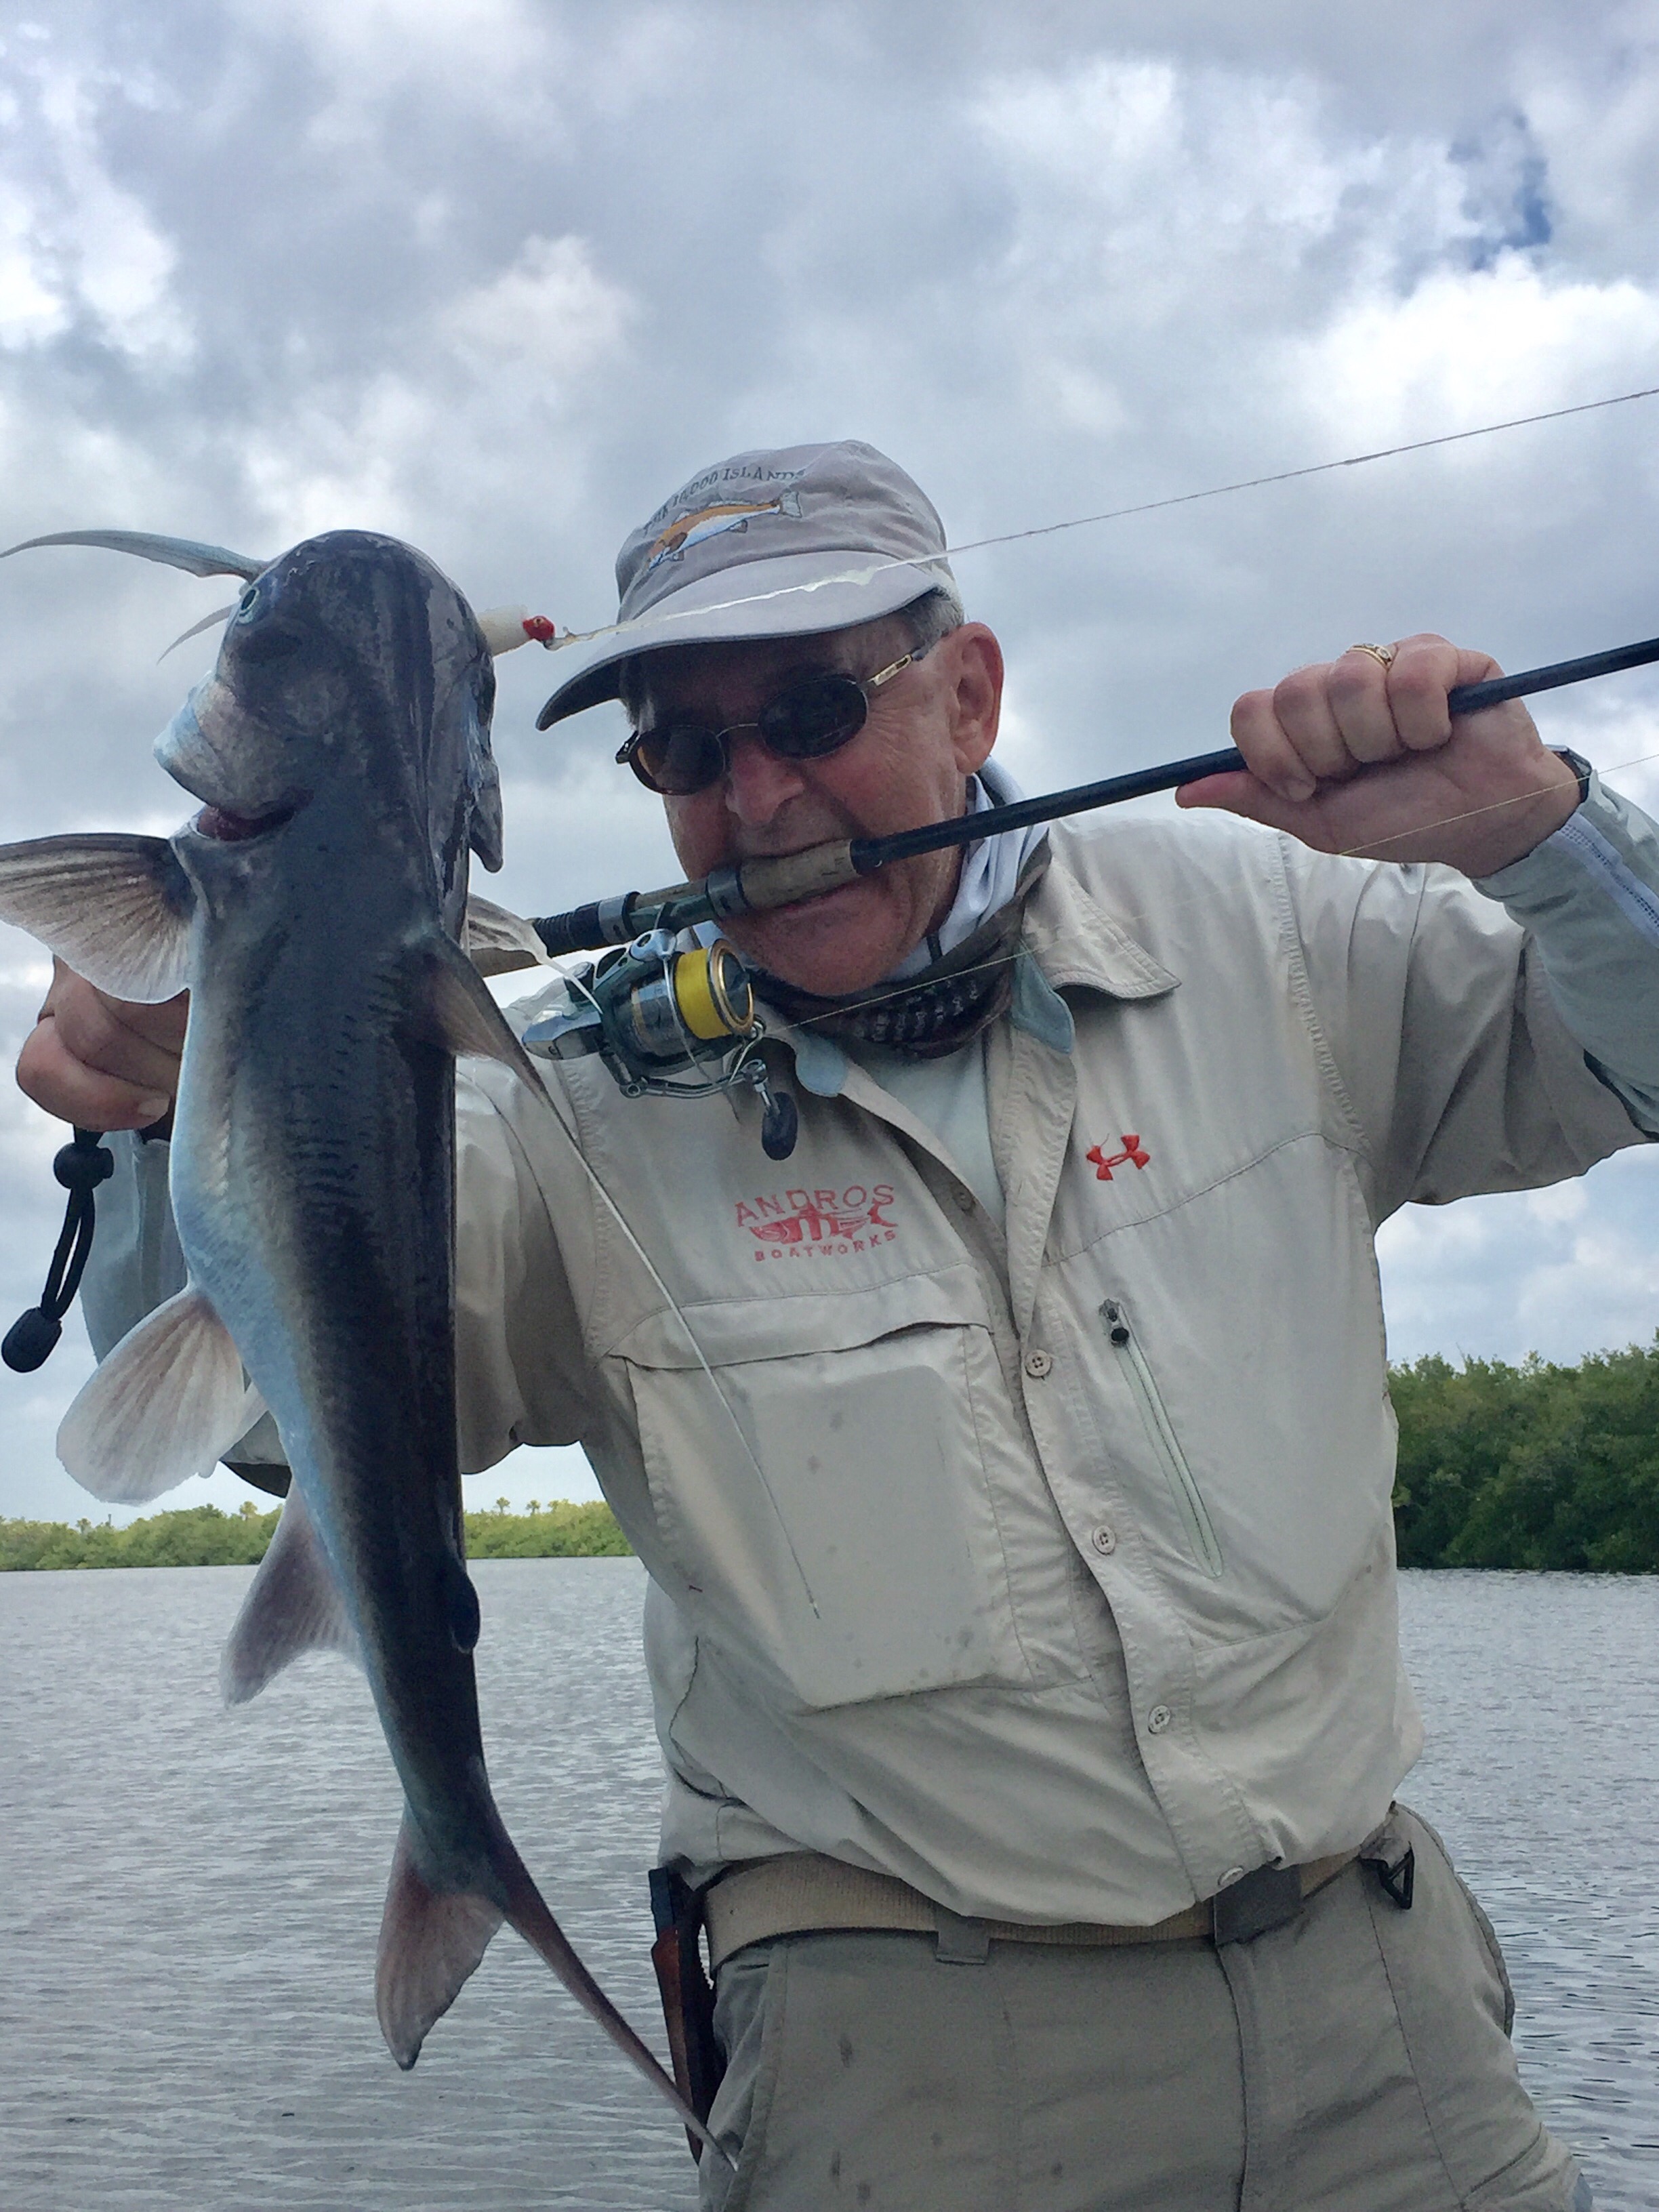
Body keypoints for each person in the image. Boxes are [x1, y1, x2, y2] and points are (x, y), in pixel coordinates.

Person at [21, 438, 1659, 2212]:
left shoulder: (1270, 920)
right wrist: (158, 1111)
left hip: (1387, 2022)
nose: (760, 793)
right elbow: (279, 1403)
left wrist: (1546, 837)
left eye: (812, 707)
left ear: (970, 694)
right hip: (903, 2073)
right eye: (684, 748)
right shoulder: (546, 1098)